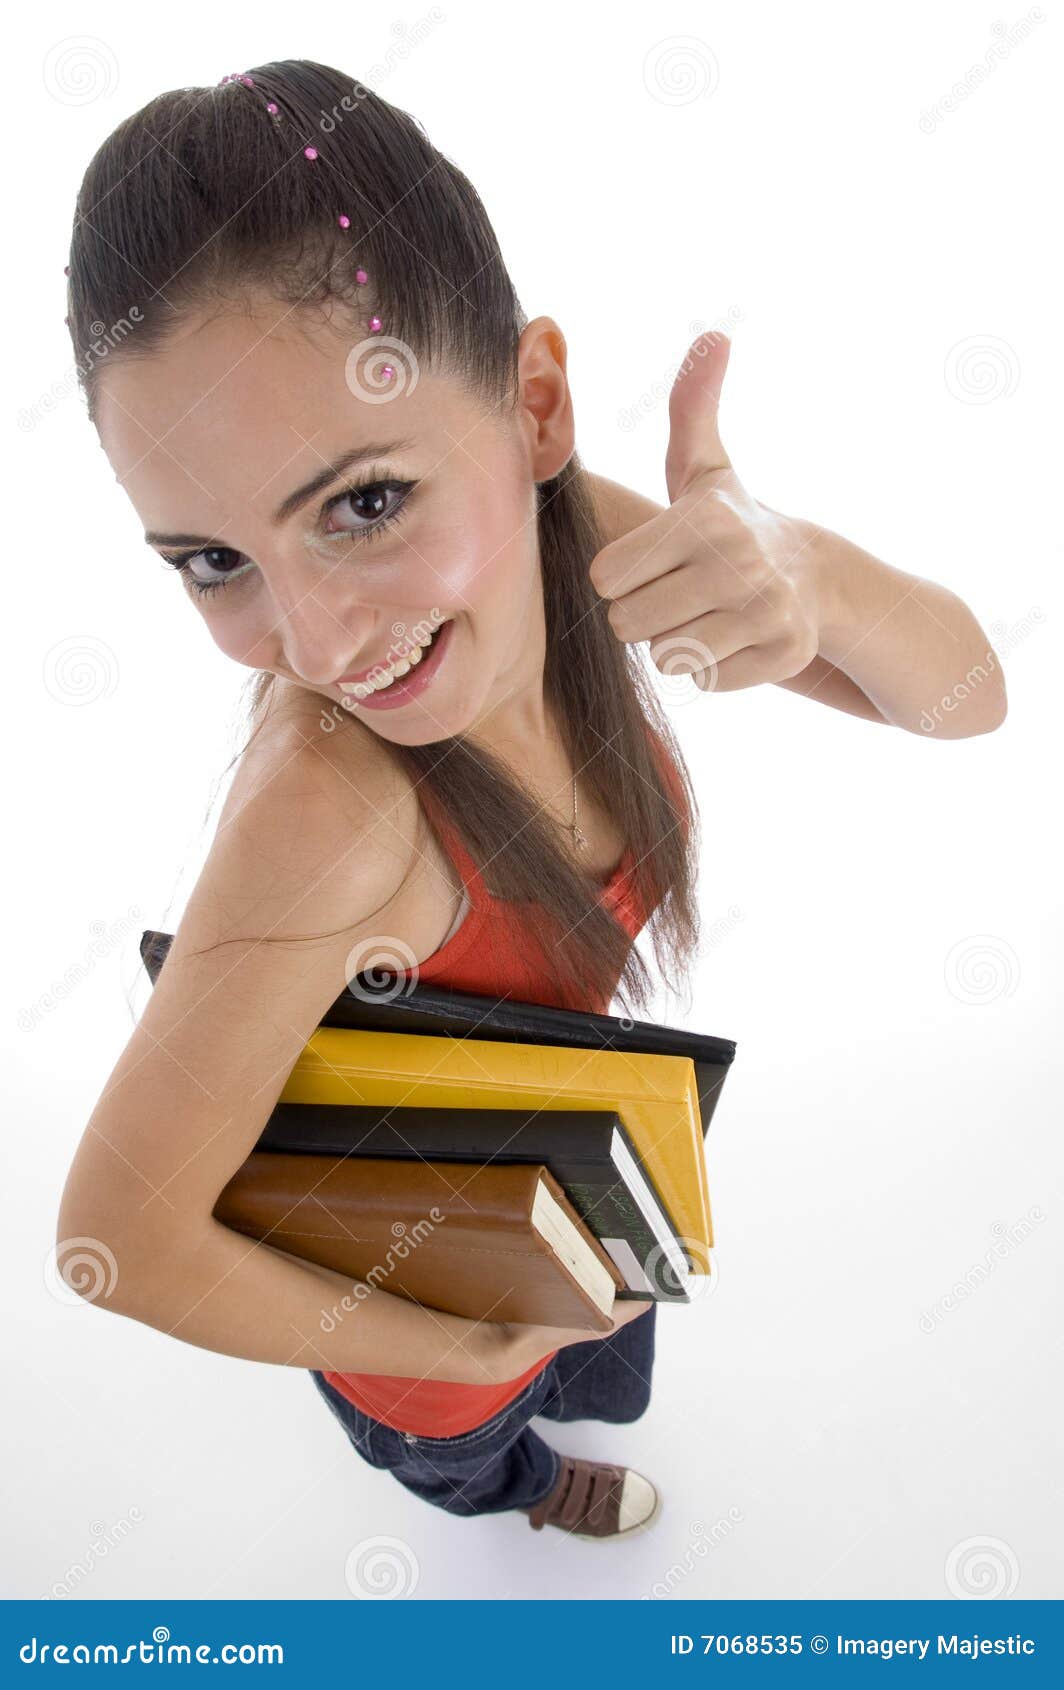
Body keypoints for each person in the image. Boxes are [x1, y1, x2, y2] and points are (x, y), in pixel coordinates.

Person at [56, 59, 1007, 1547]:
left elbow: (962, 699)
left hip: (550, 1157)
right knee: (464, 1454)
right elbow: (115, 1239)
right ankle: (518, 1486)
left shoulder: (573, 552)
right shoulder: (330, 822)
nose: (316, 646)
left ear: (538, 407)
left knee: (602, 1323)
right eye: (212, 560)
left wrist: (807, 574)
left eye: (362, 502)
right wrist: (466, 1356)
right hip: (421, 1317)